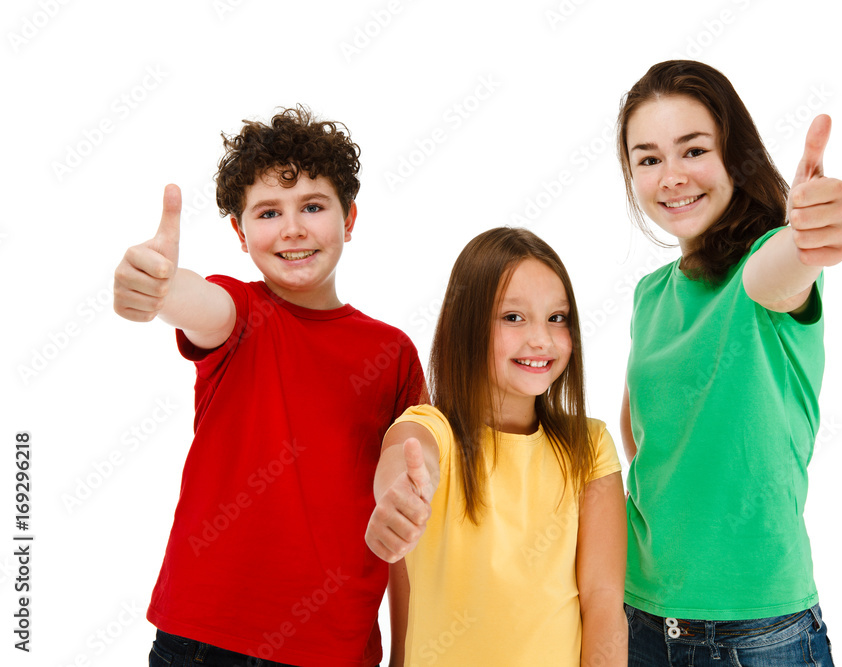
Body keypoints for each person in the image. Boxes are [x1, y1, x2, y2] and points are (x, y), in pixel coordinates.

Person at [113, 106, 425, 667]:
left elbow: (404, 506)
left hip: (334, 647)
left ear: (349, 218)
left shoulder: (393, 353)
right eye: (267, 212)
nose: (293, 228)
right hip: (204, 639)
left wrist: (407, 649)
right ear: (239, 232)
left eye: (312, 206)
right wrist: (159, 288)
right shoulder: (240, 312)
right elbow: (200, 304)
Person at [616, 60, 842, 665]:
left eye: (692, 150)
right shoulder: (650, 295)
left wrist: (808, 238)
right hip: (641, 616)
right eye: (647, 159)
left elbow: (787, 268)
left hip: (759, 633)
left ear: (734, 155)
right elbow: (639, 433)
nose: (671, 177)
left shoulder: (763, 265)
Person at [364, 228, 627, 666]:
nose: (541, 339)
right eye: (513, 317)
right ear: (465, 325)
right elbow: (408, 454)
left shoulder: (590, 446)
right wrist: (400, 494)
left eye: (557, 318)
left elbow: (602, 601)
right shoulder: (433, 431)